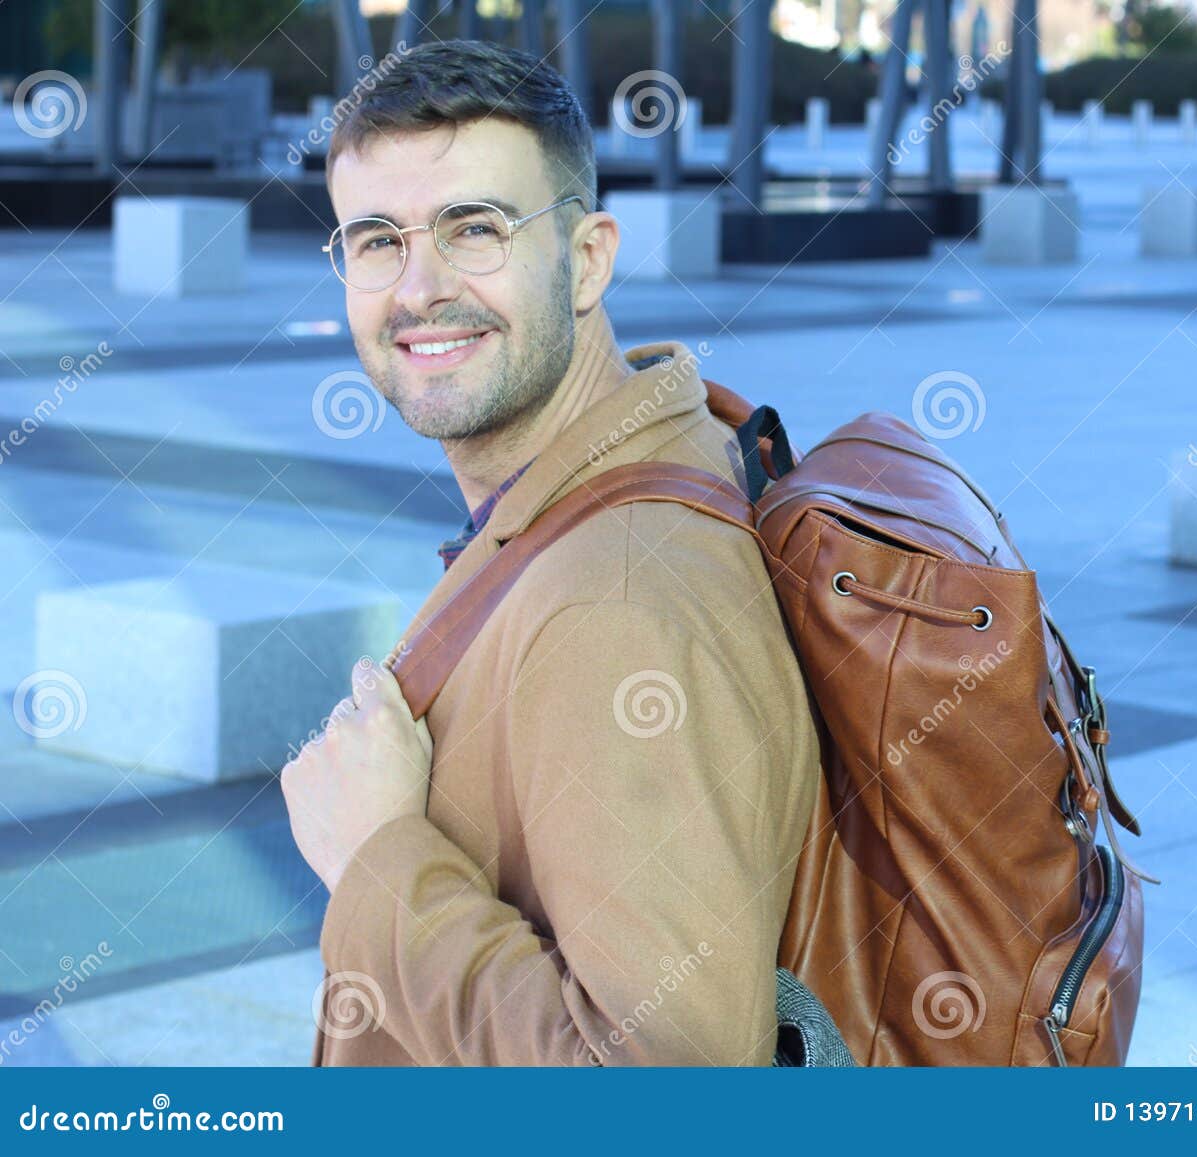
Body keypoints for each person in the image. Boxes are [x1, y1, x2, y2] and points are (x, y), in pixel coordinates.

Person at [281, 39, 820, 1066]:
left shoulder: (611, 603)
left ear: (586, 260)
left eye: (474, 228)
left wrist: (377, 858)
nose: (418, 288)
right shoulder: (665, 438)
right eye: (376, 240)